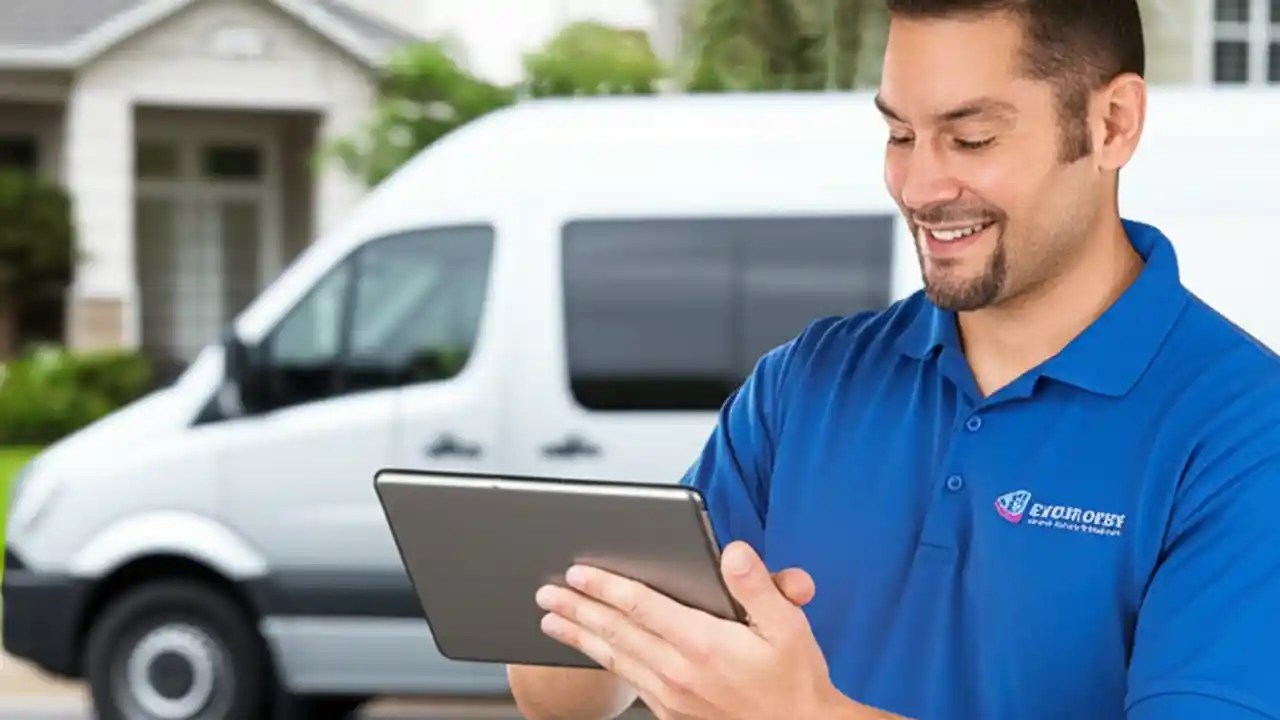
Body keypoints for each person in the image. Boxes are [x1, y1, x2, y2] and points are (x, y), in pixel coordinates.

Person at [508, 1, 1280, 718]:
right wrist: (577, 632)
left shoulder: (1246, 433)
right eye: (900, 135)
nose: (917, 186)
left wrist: (805, 712)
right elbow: (566, 697)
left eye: (972, 138)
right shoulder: (806, 383)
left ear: (1113, 124)